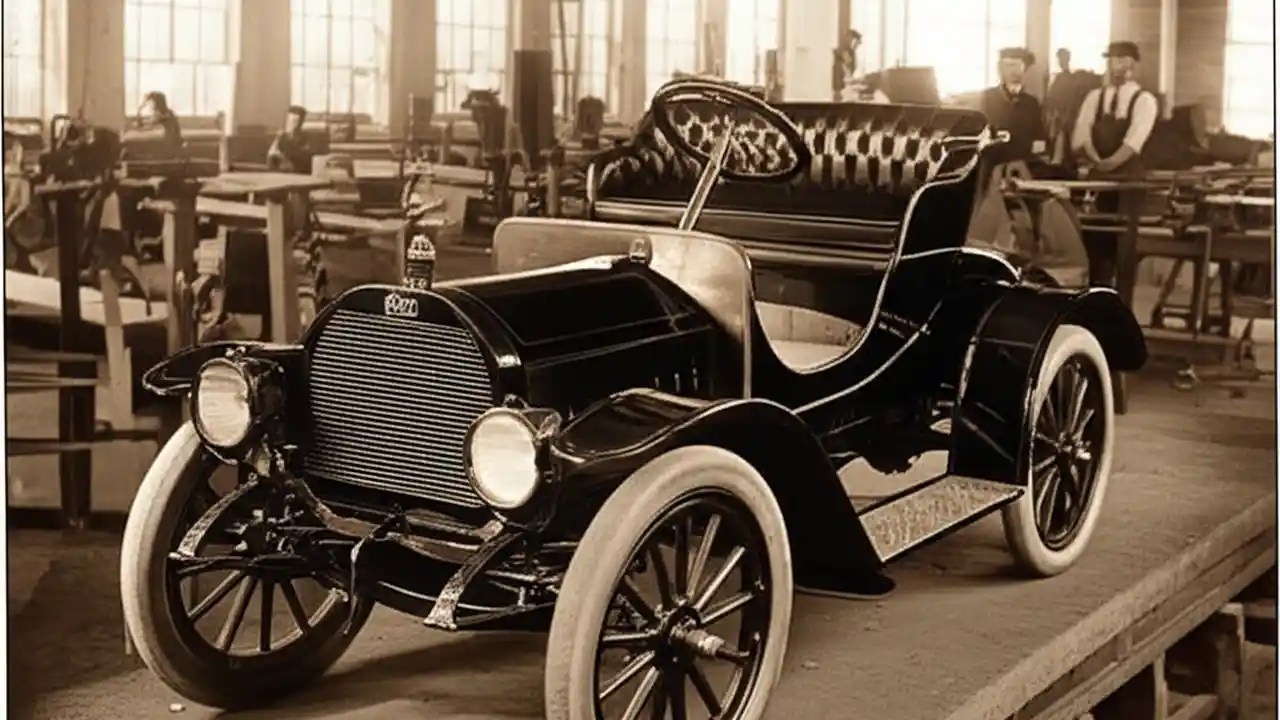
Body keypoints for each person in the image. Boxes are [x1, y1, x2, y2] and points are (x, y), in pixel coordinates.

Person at [1070, 41, 1158, 177]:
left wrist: (1111, 163)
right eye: (1112, 61)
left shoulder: (1145, 100)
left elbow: (1135, 140)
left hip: (1129, 177)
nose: (1116, 66)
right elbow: (1082, 134)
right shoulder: (1094, 97)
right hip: (1098, 173)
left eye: (1121, 61)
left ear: (1133, 65)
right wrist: (1097, 161)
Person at [978, 47, 1049, 164]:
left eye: (1019, 67)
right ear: (1001, 70)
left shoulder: (1031, 103)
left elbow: (1039, 139)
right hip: (993, 164)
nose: (1014, 73)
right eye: (1009, 67)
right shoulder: (987, 98)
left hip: (1024, 165)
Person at [268, 105, 314, 173]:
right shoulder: (281, 137)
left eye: (296, 121)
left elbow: (306, 158)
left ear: (302, 122)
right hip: (281, 172)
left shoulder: (305, 139)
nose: (293, 125)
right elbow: (271, 156)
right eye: (290, 121)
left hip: (298, 173)